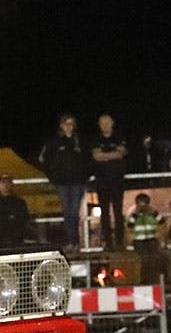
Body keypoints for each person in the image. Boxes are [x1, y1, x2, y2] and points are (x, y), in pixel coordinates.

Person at [39, 113, 87, 253]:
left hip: (77, 182)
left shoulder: (80, 141)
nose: (69, 127)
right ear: (61, 125)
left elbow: (88, 159)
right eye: (66, 124)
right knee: (67, 213)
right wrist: (52, 177)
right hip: (62, 183)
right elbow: (43, 159)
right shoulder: (54, 142)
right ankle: (70, 242)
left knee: (74, 213)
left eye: (71, 124)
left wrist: (85, 176)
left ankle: (75, 242)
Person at [89, 113, 127, 250]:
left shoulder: (119, 137)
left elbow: (121, 153)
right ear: (99, 125)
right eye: (102, 123)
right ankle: (108, 243)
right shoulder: (95, 139)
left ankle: (120, 242)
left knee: (118, 212)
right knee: (104, 212)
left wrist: (104, 155)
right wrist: (113, 154)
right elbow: (96, 156)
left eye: (107, 122)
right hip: (102, 181)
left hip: (117, 180)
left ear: (112, 123)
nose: (105, 125)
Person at [126, 193, 164, 283]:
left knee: (154, 260)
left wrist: (153, 213)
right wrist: (136, 214)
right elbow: (129, 225)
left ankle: (153, 279)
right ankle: (144, 279)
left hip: (152, 240)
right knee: (143, 260)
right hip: (139, 241)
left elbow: (161, 221)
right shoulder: (133, 214)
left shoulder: (152, 213)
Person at [0, 174, 31, 247]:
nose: (5, 185)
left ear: (12, 185)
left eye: (8, 182)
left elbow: (23, 219)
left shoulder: (19, 203)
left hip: (16, 240)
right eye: (3, 182)